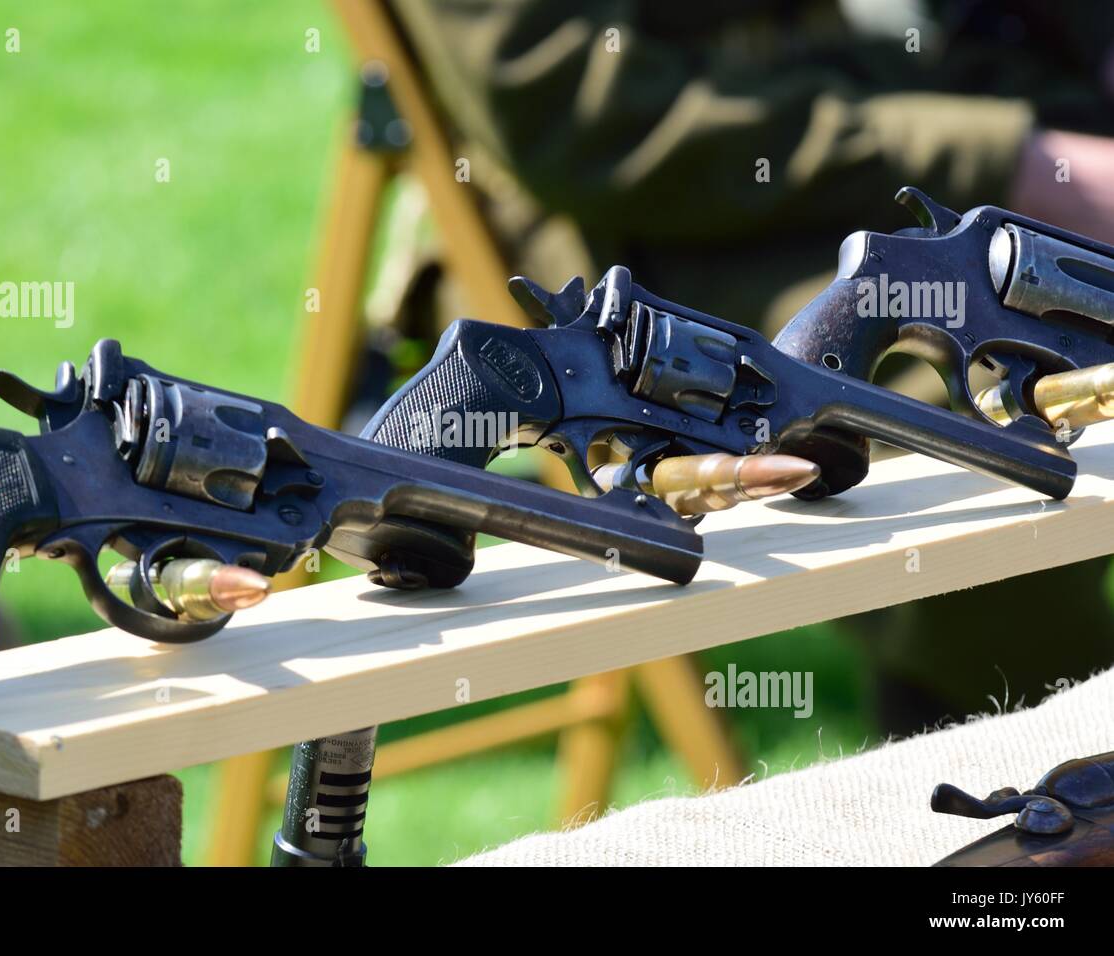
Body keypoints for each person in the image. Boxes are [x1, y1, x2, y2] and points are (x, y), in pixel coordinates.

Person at [378, 0, 1114, 732]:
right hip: (665, 231)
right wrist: (1005, 157)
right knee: (982, 483)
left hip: (854, 164)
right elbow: (591, 120)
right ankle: (1029, 788)